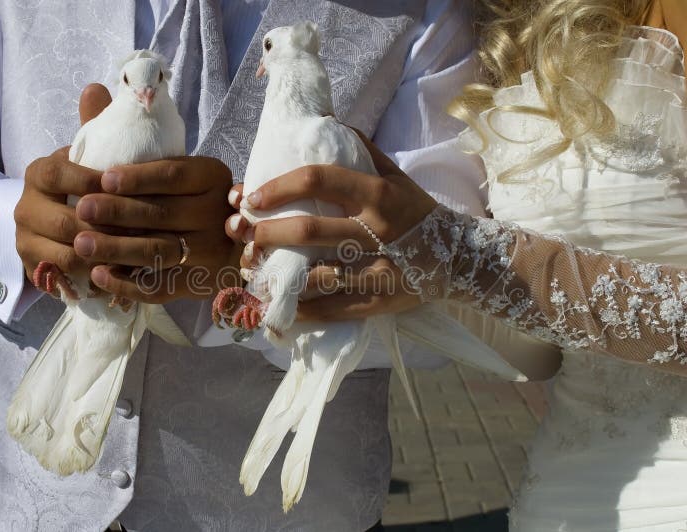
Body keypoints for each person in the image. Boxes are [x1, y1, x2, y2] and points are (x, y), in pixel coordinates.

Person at [0, 1, 489, 530]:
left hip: (283, 515)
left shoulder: (420, 9)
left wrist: (259, 270)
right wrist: (2, 223)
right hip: (16, 502)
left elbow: (456, 274)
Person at [225, 0, 687, 529]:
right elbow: (541, 355)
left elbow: (480, 261)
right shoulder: (517, 23)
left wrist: (465, 259)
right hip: (568, 494)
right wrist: (397, 274)